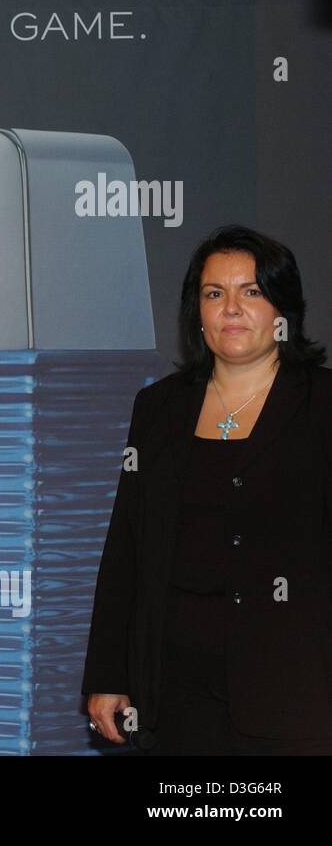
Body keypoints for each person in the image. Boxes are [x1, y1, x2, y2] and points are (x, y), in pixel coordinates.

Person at [83, 225, 332, 755]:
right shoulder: (158, 409)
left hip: (298, 689)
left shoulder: (324, 406)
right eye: (214, 294)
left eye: (252, 291)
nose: (232, 308)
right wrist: (107, 672)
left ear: (282, 309)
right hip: (173, 691)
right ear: (196, 312)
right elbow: (126, 547)